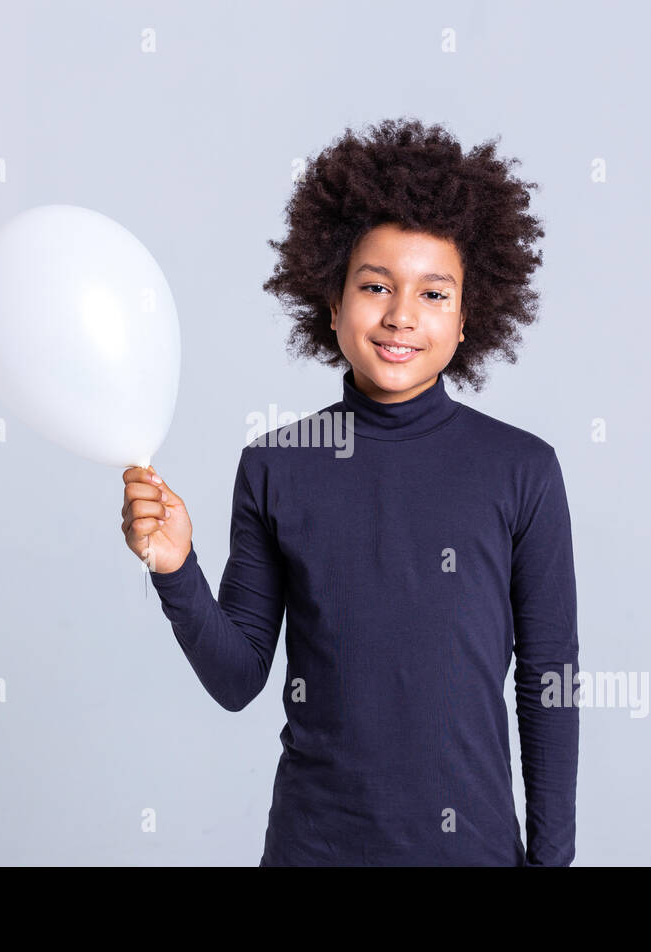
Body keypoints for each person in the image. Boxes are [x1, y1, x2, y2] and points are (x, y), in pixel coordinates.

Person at [120, 117, 579, 866]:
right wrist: (176, 568)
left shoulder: (521, 469)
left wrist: (551, 862)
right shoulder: (277, 466)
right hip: (314, 848)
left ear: (468, 319)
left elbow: (549, 679)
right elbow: (238, 678)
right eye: (375, 286)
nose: (401, 314)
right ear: (331, 303)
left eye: (434, 293)